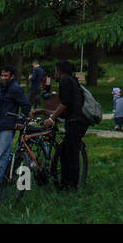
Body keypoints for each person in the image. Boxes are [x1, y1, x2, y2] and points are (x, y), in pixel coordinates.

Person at [46, 60, 87, 191]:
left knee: (71, 155)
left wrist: (51, 119)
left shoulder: (65, 81)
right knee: (64, 152)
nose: (54, 74)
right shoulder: (72, 81)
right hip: (76, 121)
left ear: (59, 71)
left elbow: (64, 104)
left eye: (55, 71)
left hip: (76, 122)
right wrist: (43, 112)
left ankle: (72, 186)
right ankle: (64, 183)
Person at [0, 66, 30, 189]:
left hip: (8, 125)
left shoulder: (16, 89)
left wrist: (21, 120)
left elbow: (25, 105)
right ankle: (5, 174)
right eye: (2, 75)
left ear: (11, 76)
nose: (3, 78)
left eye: (6, 76)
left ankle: (0, 181)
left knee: (3, 153)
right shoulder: (1, 87)